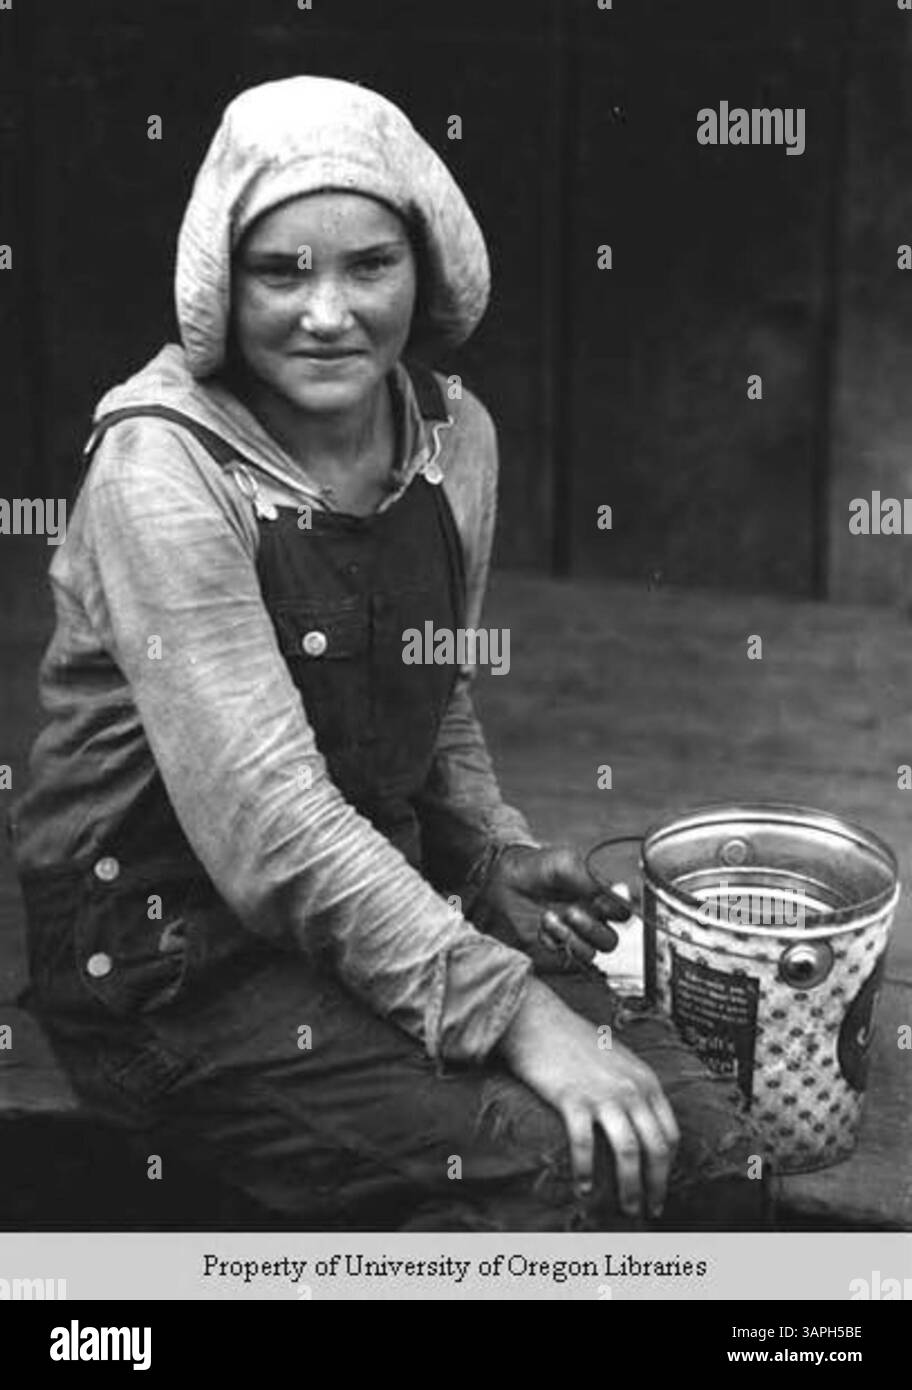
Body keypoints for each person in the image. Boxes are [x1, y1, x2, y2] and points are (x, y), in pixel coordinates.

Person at [10, 75, 771, 1231]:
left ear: (428, 265)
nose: (329, 312)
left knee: (714, 1164)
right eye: (282, 271)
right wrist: (522, 1015)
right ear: (221, 281)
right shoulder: (164, 473)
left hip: (381, 903)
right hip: (170, 965)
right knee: (569, 1173)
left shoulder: (455, 438)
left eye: (369, 264)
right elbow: (270, 825)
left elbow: (432, 692)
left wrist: (484, 856)